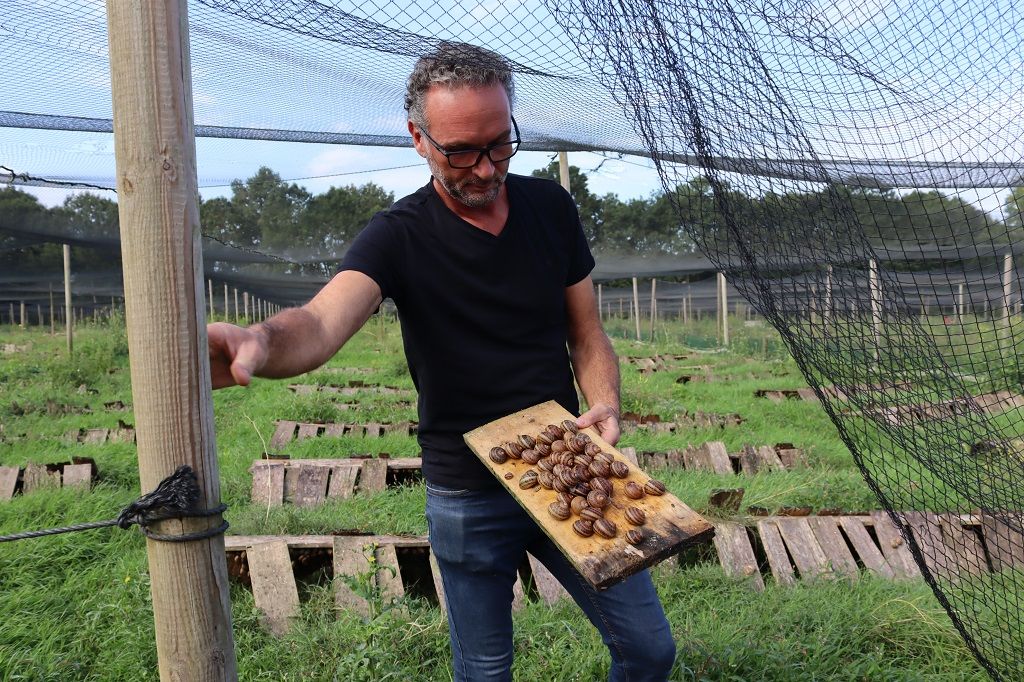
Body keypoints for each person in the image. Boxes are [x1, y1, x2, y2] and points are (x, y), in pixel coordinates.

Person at [207, 42, 676, 682]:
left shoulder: (551, 210)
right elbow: (318, 323)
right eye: (462, 152)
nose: (485, 169)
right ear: (419, 140)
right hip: (466, 488)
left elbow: (587, 334)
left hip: (567, 461)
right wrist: (260, 342)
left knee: (650, 648)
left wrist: (606, 403)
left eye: (499, 144)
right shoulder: (397, 235)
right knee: (484, 670)